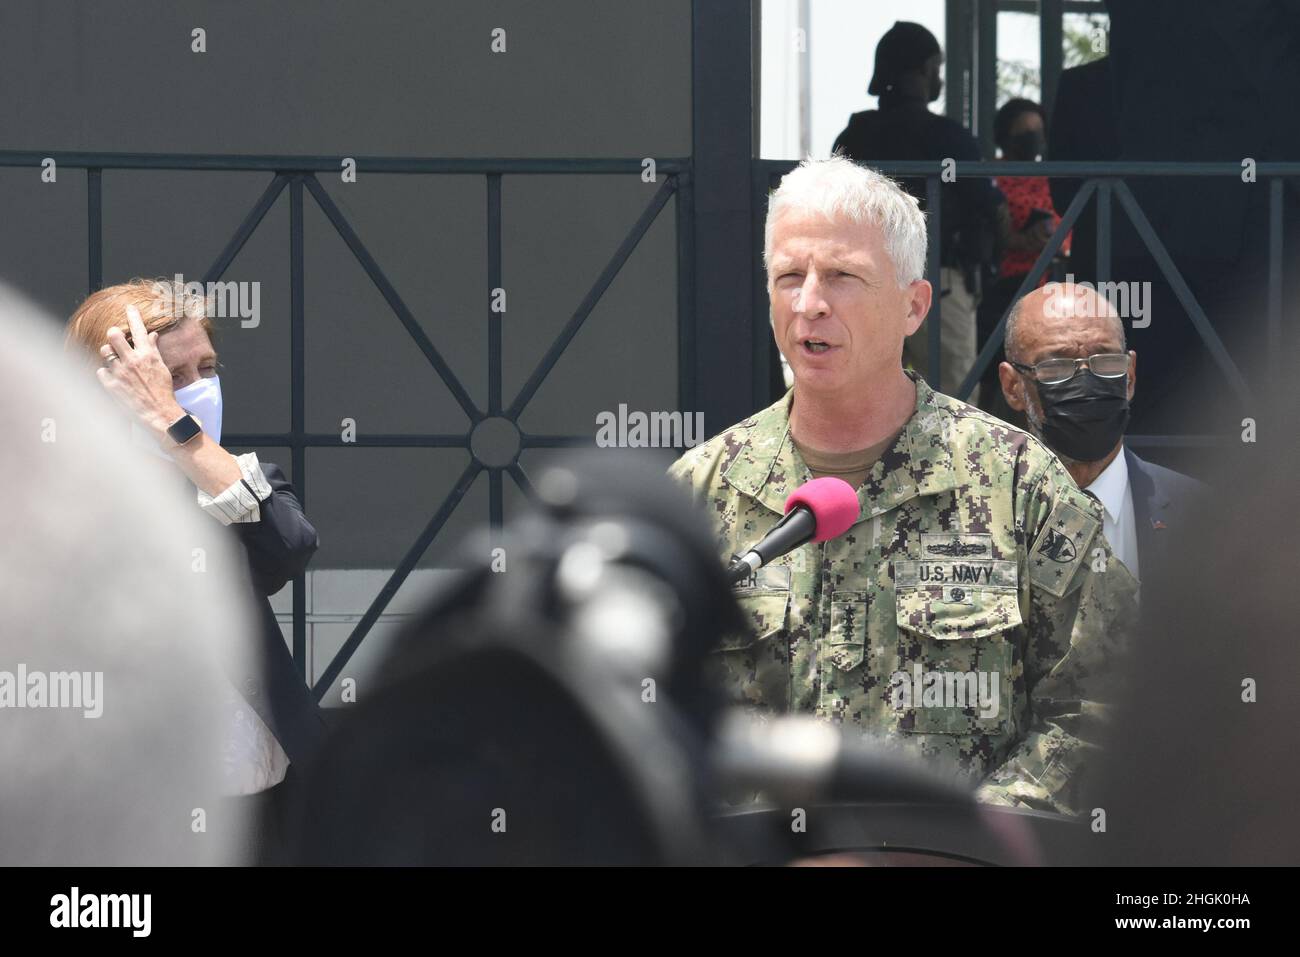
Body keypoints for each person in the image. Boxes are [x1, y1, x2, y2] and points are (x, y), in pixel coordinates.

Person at [668, 157, 1138, 816]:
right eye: (788, 277)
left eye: (842, 276)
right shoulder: (699, 493)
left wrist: (967, 842)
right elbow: (639, 714)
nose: (810, 303)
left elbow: (1102, 703)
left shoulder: (1017, 484)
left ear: (915, 305)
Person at [65, 278, 326, 796]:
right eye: (166, 375)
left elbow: (288, 549)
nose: (194, 388)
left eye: (205, 369)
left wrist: (170, 421)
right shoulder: (53, 505)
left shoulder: (243, 481)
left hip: (261, 800)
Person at [832, 20, 1007, 404]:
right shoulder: (950, 137)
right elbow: (992, 209)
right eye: (935, 68)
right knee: (954, 405)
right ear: (925, 70)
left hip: (865, 283)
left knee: (867, 399)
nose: (938, 77)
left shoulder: (854, 135)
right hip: (939, 284)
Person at [998, 283, 1204, 584]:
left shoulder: (1205, 516)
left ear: (1130, 376)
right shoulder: (978, 518)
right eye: (1057, 367)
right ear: (1012, 386)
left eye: (1106, 362)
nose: (1086, 382)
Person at [976, 97, 1070, 423]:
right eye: (1023, 132)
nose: (1032, 138)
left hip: (1055, 287)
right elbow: (995, 230)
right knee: (995, 376)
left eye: (1037, 131)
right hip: (1007, 287)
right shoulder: (994, 177)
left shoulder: (1052, 176)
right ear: (1005, 137)